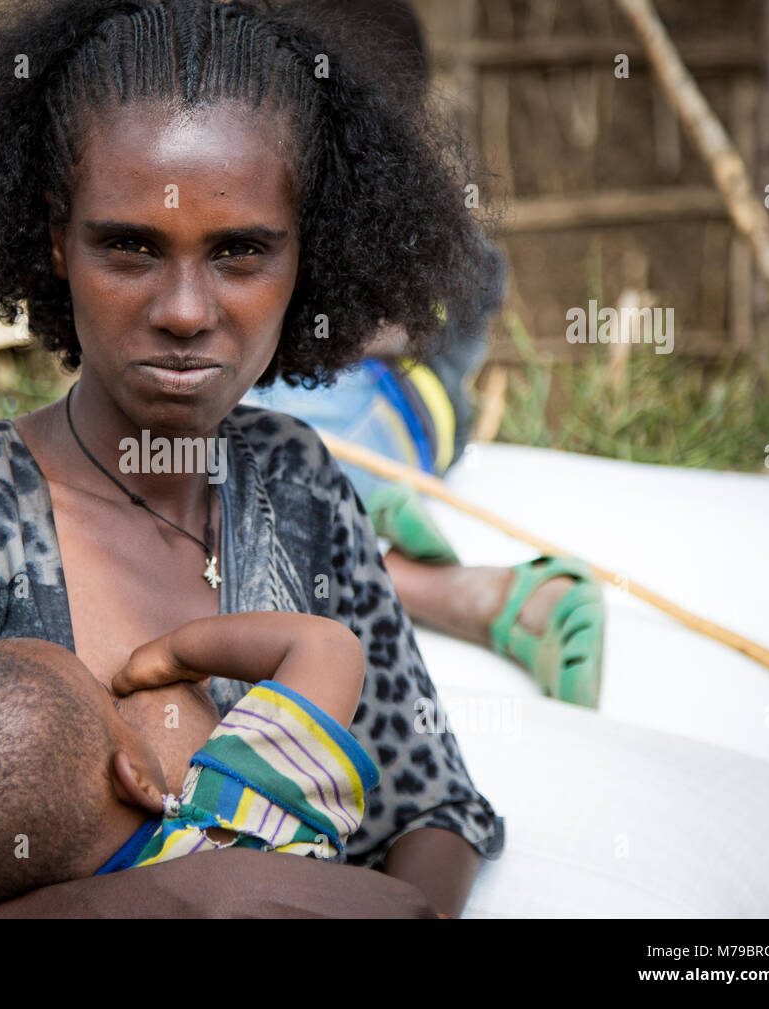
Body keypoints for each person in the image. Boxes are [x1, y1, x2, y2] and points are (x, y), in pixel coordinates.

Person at [0, 0, 503, 919]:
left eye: (240, 251)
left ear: (308, 254)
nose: (185, 309)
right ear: (54, 236)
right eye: (128, 246)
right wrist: (177, 900)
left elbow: (431, 808)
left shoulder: (299, 485)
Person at [244, 0, 604, 708]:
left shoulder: (419, 205)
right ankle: (450, 576)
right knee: (241, 435)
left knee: (279, 437)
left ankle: (390, 530)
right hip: (293, 398)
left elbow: (455, 295)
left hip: (394, 401)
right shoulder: (279, 185)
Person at [0, 612, 377, 907]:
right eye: (112, 701)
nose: (126, 697)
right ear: (136, 781)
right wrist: (174, 653)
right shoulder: (232, 820)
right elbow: (325, 647)